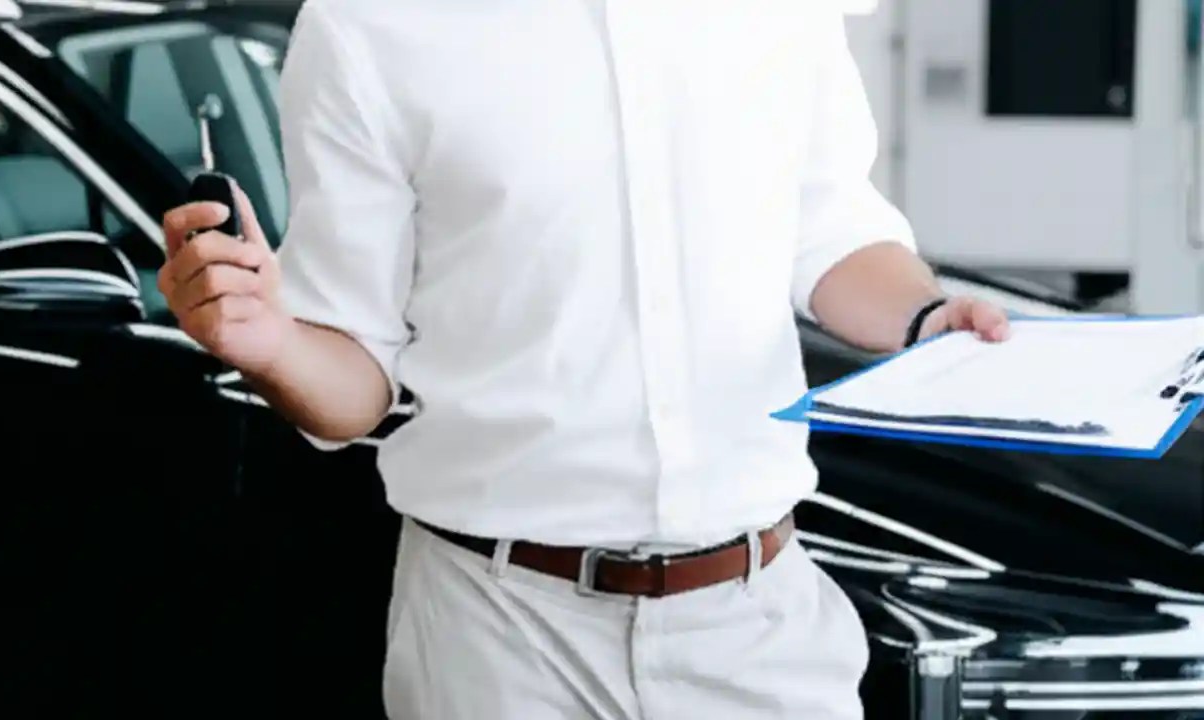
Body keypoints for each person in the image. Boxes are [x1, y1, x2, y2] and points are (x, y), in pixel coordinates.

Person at [158, 1, 1010, 717]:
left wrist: (928, 314)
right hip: (503, 636)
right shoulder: (371, 24)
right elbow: (353, 382)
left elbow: (832, 232)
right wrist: (268, 345)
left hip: (762, 630)